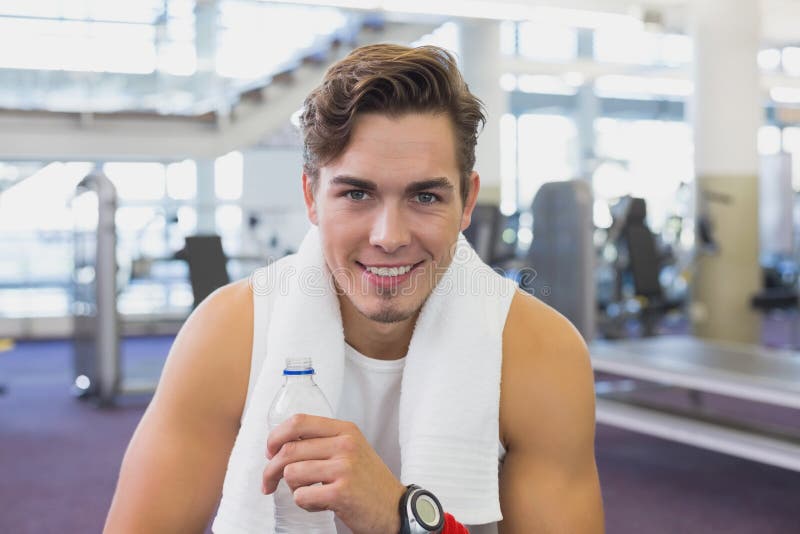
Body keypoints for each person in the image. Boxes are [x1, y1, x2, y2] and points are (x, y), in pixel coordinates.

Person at [104, 44, 604, 534]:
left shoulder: (541, 353)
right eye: (357, 193)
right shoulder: (228, 334)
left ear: (467, 201)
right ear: (311, 197)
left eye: (425, 196)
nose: (389, 237)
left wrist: (399, 518)